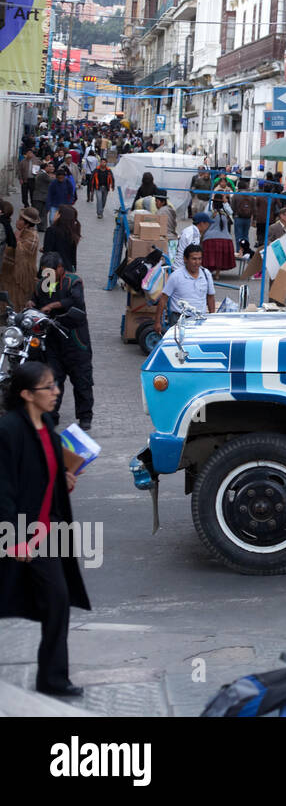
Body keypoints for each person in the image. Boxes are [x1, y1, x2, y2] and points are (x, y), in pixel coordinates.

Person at [0, 361, 91, 699]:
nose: (56, 392)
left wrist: (63, 480)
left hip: (47, 535)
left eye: (55, 385)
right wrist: (13, 538)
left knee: (57, 599)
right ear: (26, 394)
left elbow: (45, 475)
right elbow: (4, 489)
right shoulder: (9, 430)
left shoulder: (48, 427)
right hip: (19, 535)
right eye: (48, 387)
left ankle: (52, 677)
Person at [29, 253, 93, 431]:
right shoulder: (43, 283)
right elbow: (36, 298)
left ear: (60, 268)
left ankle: (85, 416)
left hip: (75, 339)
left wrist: (52, 306)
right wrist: (31, 303)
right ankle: (50, 415)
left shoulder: (74, 282)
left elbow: (75, 301)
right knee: (53, 378)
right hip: (52, 339)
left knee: (82, 379)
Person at [155, 244, 216, 334]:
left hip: (200, 320)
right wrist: (157, 322)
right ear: (185, 259)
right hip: (179, 320)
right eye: (194, 259)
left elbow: (210, 297)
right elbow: (163, 299)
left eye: (200, 259)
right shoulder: (176, 276)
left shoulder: (206, 274)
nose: (197, 262)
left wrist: (212, 319)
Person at [0, 207, 40, 308]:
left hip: (21, 277)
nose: (17, 221)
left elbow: (24, 253)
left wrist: (16, 241)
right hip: (8, 273)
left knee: (17, 302)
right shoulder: (19, 232)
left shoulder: (32, 236)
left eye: (20, 219)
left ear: (26, 223)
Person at [42, 205, 81, 273]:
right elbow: (72, 254)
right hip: (67, 269)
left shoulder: (51, 230)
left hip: (53, 270)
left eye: (57, 212)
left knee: (53, 284)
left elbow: (47, 252)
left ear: (60, 216)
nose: (54, 214)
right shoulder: (72, 232)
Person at [231, 179, 256, 255]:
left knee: (238, 235)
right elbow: (254, 208)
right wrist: (253, 217)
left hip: (238, 217)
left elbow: (232, 207)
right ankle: (246, 250)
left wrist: (234, 214)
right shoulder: (251, 196)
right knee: (245, 235)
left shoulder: (236, 195)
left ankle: (239, 251)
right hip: (248, 218)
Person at [31, 161, 52, 233]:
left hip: (38, 196)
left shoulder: (40, 173)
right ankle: (42, 227)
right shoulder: (43, 175)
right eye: (48, 167)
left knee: (40, 212)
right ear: (45, 167)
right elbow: (51, 181)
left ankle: (41, 227)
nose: (50, 168)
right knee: (42, 213)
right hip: (41, 196)